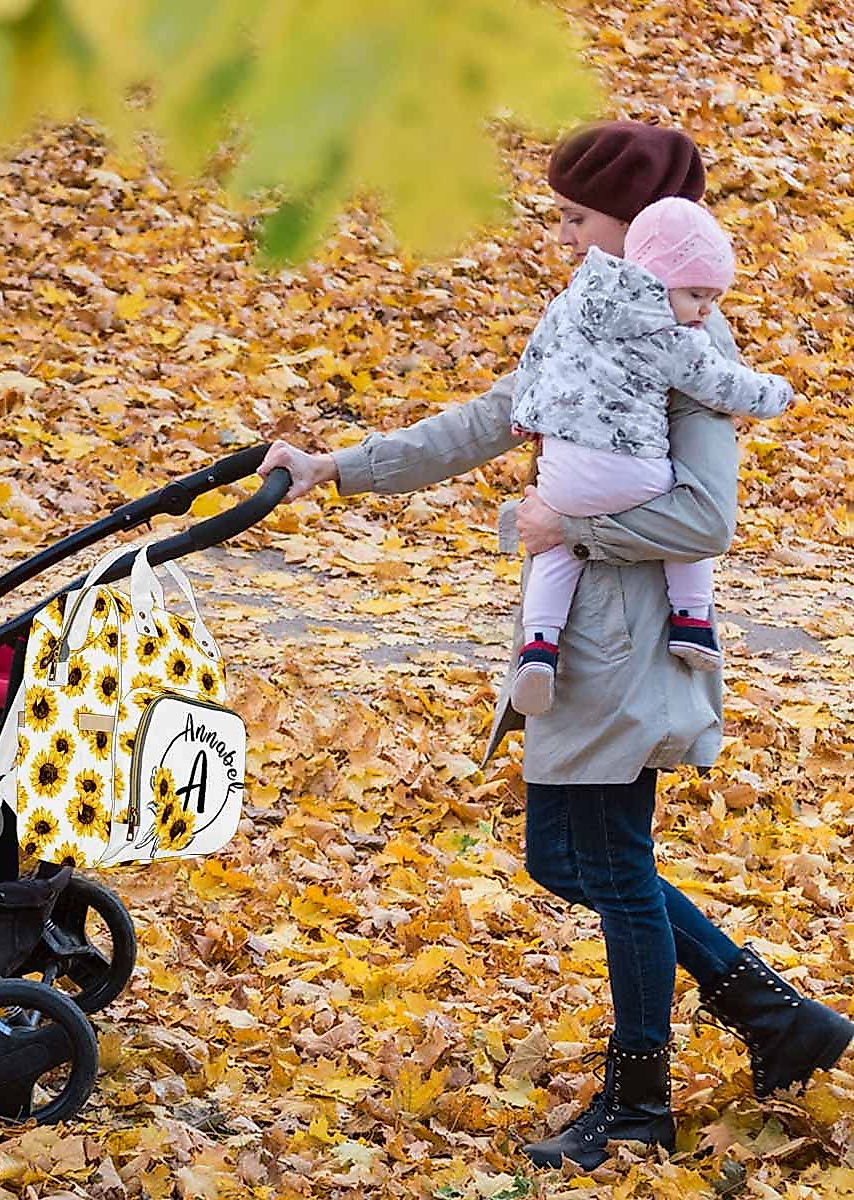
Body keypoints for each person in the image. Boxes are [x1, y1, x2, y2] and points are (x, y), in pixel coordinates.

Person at [257, 120, 853, 1171]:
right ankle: (769, 1011)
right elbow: (497, 416)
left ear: (640, 223)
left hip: (628, 647)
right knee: (561, 856)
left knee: (613, 865)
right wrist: (337, 467)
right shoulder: (585, 317)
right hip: (576, 639)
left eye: (580, 219)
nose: (567, 236)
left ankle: (639, 1104)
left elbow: (707, 519)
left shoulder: (695, 351)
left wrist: (567, 528)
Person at [509, 196, 792, 717]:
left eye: (713, 297)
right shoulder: (669, 332)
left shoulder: (574, 299)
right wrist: (777, 393)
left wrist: (528, 414)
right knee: (681, 523)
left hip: (563, 472)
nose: (706, 309)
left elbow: (535, 360)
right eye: (697, 294)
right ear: (660, 279)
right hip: (632, 472)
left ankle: (539, 645)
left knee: (551, 550)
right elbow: (722, 385)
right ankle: (692, 620)